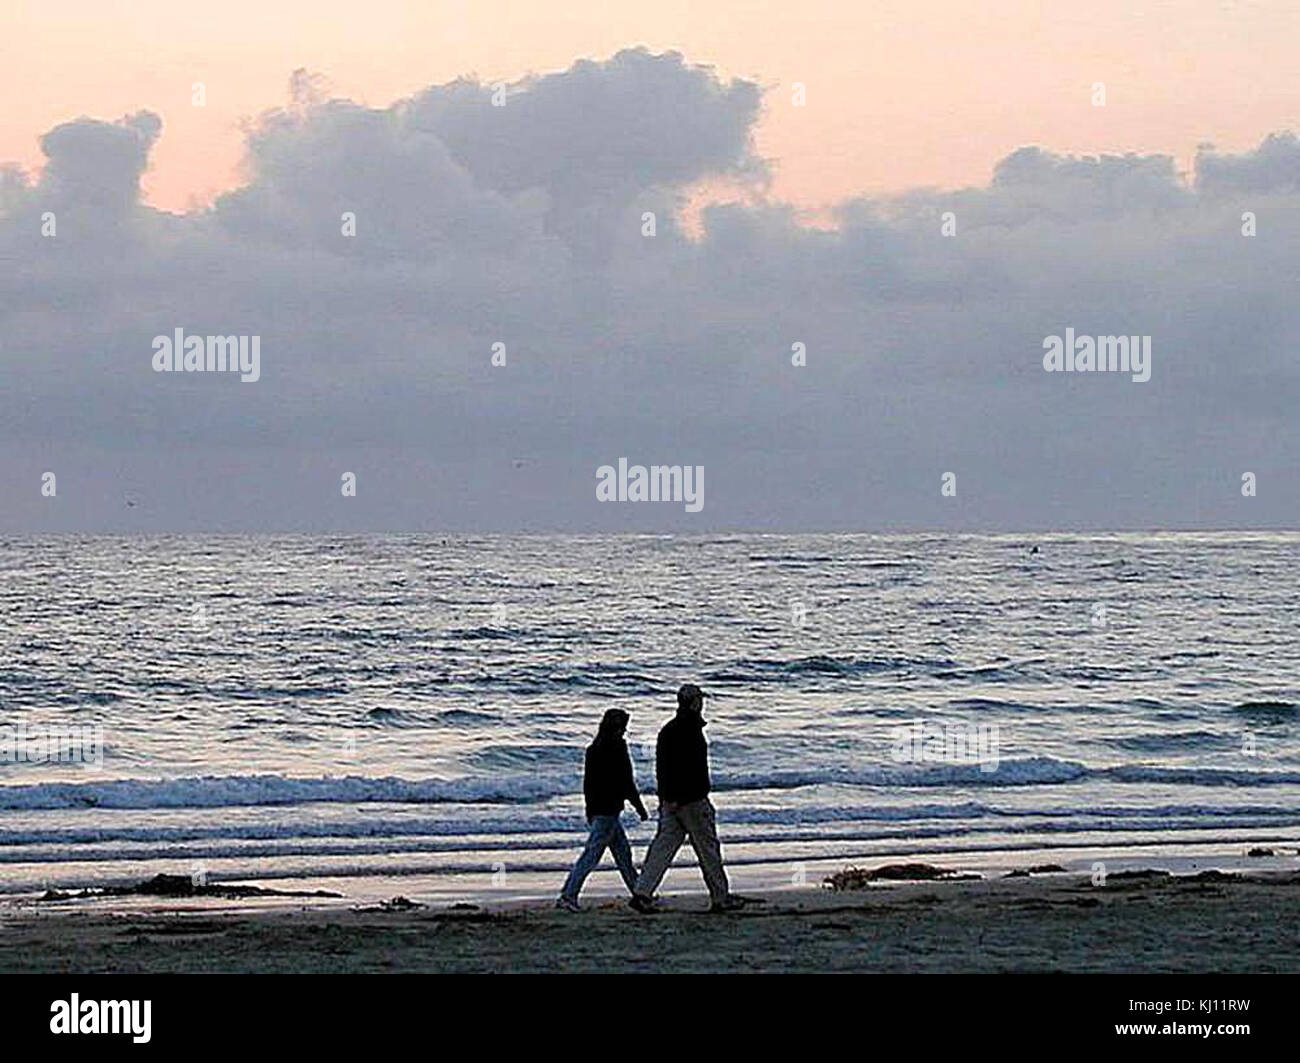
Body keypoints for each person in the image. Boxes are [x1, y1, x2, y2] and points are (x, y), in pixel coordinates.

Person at [630, 684, 745, 913]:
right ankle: (720, 897)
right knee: (707, 849)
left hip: (670, 801)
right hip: (691, 799)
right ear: (694, 702)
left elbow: (662, 768)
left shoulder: (668, 730)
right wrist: (687, 795)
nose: (702, 703)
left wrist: (666, 797)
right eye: (699, 700)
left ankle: (642, 892)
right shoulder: (691, 730)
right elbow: (691, 768)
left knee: (662, 847)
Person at [556, 708, 648, 911]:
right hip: (609, 810)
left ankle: (640, 892)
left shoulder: (593, 749)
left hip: (600, 808)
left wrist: (589, 809)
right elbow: (627, 781)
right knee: (592, 856)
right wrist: (639, 807)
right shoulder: (618, 748)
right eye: (623, 727)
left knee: (623, 854)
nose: (624, 731)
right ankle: (568, 895)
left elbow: (588, 784)